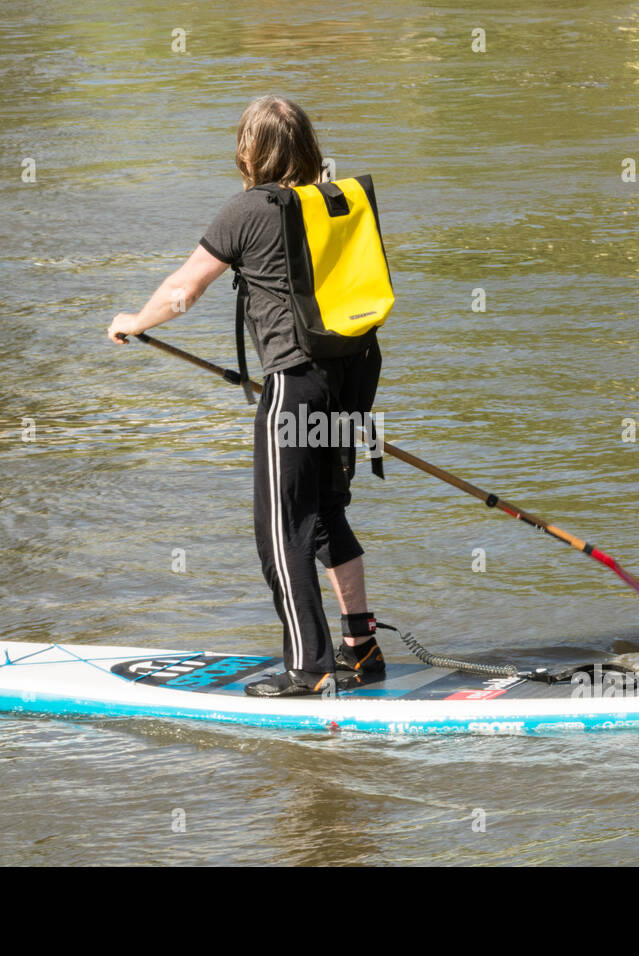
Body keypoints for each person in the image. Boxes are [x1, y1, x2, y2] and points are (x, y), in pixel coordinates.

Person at [107, 95, 386, 698]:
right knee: (327, 511)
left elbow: (185, 289)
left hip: (297, 387)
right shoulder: (335, 203)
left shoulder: (248, 209)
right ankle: (360, 649)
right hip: (354, 380)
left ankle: (309, 668)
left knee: (282, 530)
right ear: (309, 146)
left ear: (250, 151)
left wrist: (135, 320)